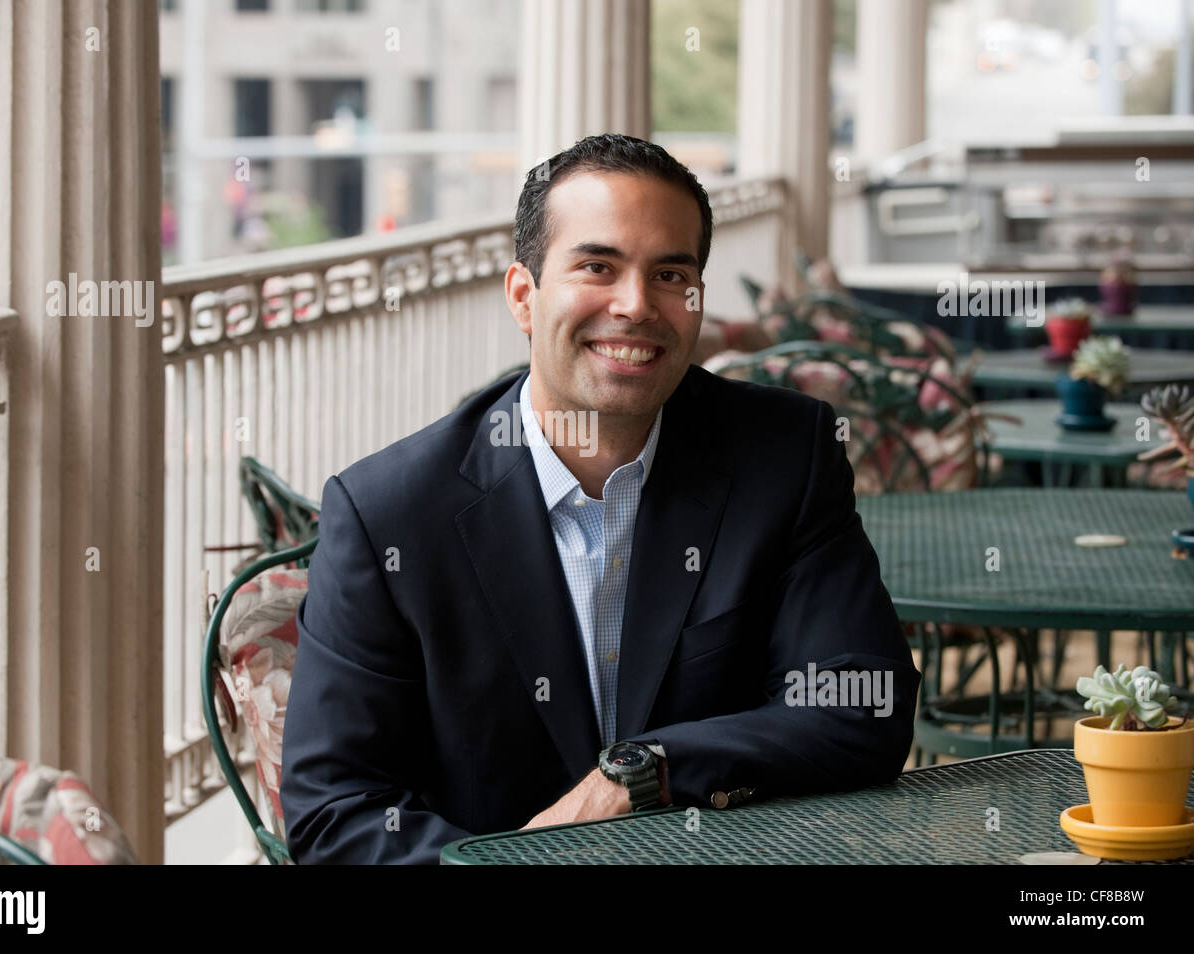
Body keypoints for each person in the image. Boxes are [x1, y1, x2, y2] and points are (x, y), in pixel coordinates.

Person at [281, 133, 920, 865]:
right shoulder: (387, 515)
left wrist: (642, 776)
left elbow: (856, 703)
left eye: (671, 274)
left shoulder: (784, 454)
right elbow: (337, 815)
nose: (636, 305)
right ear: (524, 296)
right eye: (597, 266)